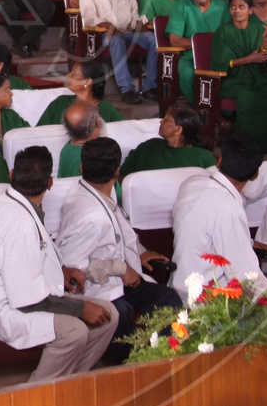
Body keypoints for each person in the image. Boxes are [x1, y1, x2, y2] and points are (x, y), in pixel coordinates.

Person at [0, 145, 116, 380]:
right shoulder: (18, 221)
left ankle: (70, 381)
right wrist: (80, 308)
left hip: (30, 294)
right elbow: (26, 300)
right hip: (5, 305)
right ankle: (37, 392)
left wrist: (61, 269)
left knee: (109, 313)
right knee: (74, 331)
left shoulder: (12, 202)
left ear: (11, 174)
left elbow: (33, 258)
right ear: (50, 182)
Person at [58, 138, 181, 349]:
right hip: (94, 288)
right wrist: (121, 269)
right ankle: (131, 365)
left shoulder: (103, 190)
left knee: (167, 298)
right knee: (121, 312)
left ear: (81, 167)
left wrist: (139, 252)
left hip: (119, 279)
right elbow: (73, 268)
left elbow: (120, 229)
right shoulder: (89, 215)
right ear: (117, 171)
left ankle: (163, 356)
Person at [170, 134, 264, 291]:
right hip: (209, 300)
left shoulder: (190, 184)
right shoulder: (229, 208)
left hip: (178, 288)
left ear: (219, 161)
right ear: (255, 175)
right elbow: (245, 276)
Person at [211, 0, 267, 152]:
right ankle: (247, 145)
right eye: (233, 7)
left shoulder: (259, 28)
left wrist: (266, 39)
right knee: (247, 96)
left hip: (258, 76)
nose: (237, 11)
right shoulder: (222, 32)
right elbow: (222, 62)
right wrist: (248, 59)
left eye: (241, 7)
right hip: (234, 80)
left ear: (250, 11)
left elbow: (266, 57)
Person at [79, 0, 158, 104]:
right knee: (115, 40)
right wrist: (109, 26)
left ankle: (149, 86)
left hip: (127, 32)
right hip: (104, 36)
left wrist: (139, 23)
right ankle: (127, 89)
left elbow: (134, 15)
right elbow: (88, 19)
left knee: (152, 39)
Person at [122, 102, 215, 174]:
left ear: (178, 130)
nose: (161, 121)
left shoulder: (203, 157)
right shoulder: (149, 146)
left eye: (167, 119)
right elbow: (123, 174)